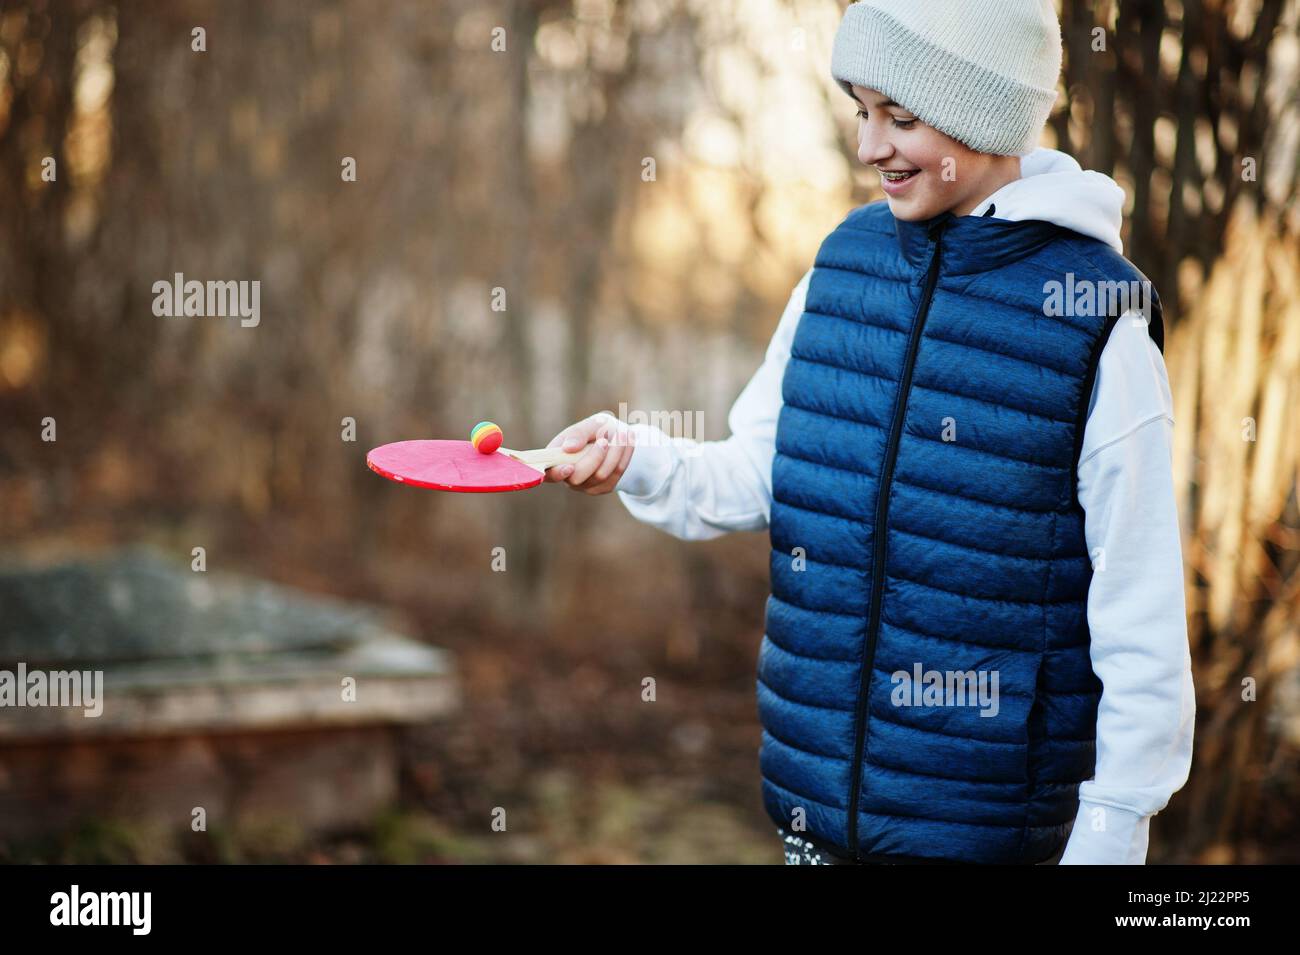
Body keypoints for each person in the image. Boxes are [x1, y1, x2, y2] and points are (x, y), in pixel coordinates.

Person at [544, 0, 1195, 865]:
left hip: (990, 838)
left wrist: (1111, 836)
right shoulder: (840, 267)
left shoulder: (1092, 320)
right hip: (813, 822)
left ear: (983, 114)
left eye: (902, 117)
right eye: (862, 112)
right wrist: (634, 454)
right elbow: (760, 469)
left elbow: (1141, 620)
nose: (868, 146)